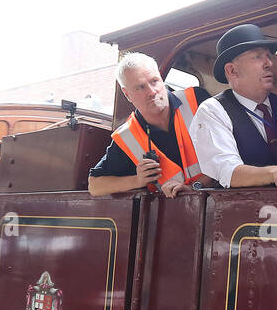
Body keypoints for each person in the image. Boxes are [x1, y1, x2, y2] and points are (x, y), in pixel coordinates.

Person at [189, 24, 277, 200]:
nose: (269, 63)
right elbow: (228, 172)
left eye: (268, 56)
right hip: (247, 216)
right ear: (232, 70)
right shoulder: (212, 111)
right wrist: (275, 172)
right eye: (257, 57)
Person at [88, 52, 210, 199]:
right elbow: (94, 185)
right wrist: (137, 180)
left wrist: (195, 186)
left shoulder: (198, 101)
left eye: (154, 81)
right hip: (176, 215)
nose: (151, 92)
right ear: (127, 94)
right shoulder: (128, 136)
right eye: (140, 87)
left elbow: (235, 148)